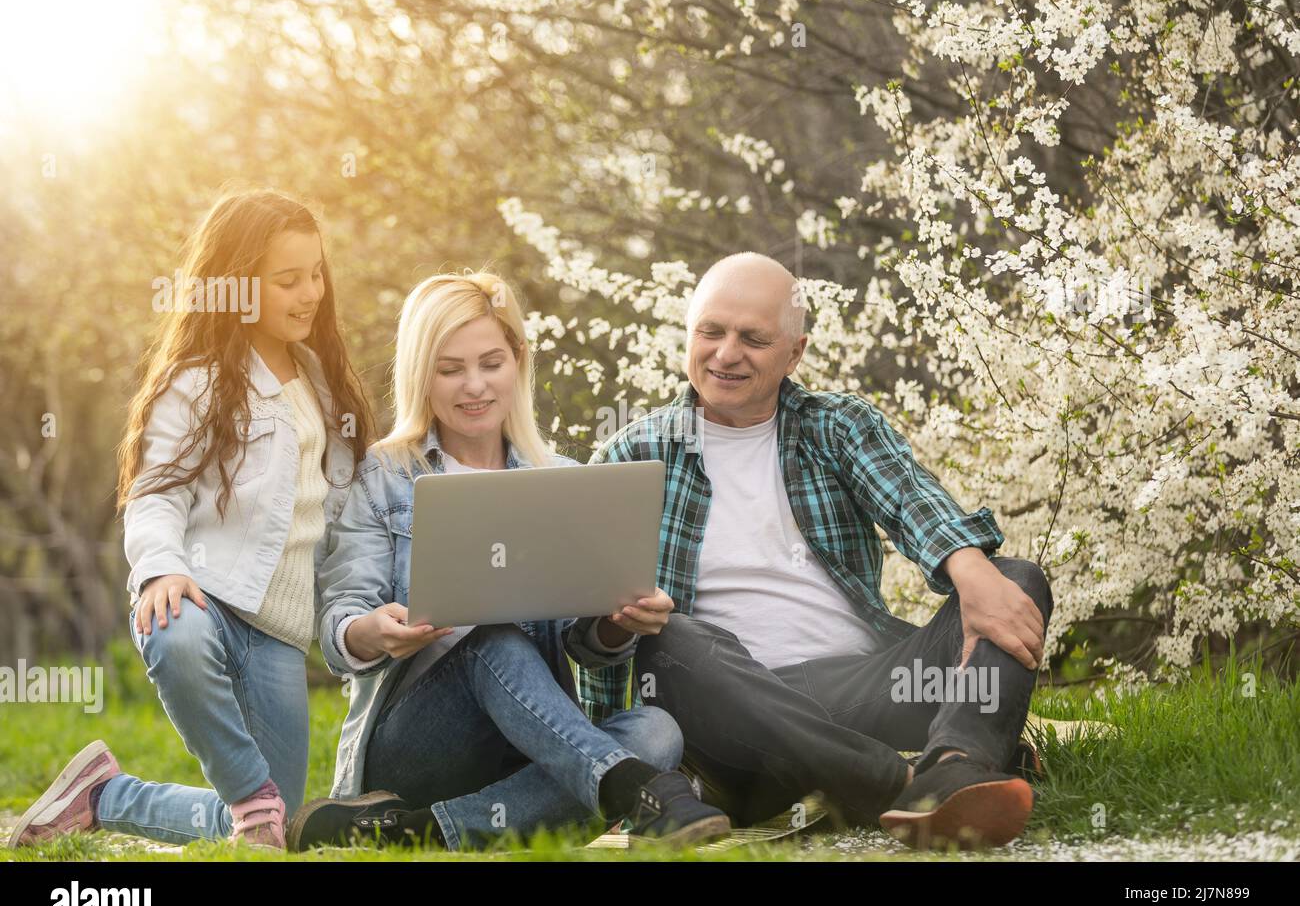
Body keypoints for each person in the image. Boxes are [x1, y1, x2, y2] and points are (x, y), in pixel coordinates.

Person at [579, 252, 1053, 849]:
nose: (726, 354)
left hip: (865, 690)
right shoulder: (633, 453)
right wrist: (616, 751)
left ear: (795, 353)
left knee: (1013, 576)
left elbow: (912, 501)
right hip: (730, 722)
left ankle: (959, 766)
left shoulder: (836, 425)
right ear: (689, 332)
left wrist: (971, 569)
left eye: (753, 338)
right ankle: (897, 782)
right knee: (668, 637)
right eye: (711, 332)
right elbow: (588, 635)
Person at [288, 272, 729, 852]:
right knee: (494, 637)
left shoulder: (563, 482)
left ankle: (414, 833)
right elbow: (340, 619)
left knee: (655, 731)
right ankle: (629, 790)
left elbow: (582, 645)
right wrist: (368, 632)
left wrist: (616, 623)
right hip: (416, 745)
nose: (474, 386)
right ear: (422, 375)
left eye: (491, 363)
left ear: (518, 361)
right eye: (450, 369)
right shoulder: (385, 477)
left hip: (532, 748)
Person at [8, 189, 376, 851]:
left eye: (316, 274)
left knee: (272, 827)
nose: (309, 293)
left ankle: (102, 795)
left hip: (278, 636)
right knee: (173, 630)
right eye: (287, 279)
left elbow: (347, 513)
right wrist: (160, 570)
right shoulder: (198, 382)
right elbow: (155, 493)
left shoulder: (329, 385)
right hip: (205, 597)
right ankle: (238, 793)